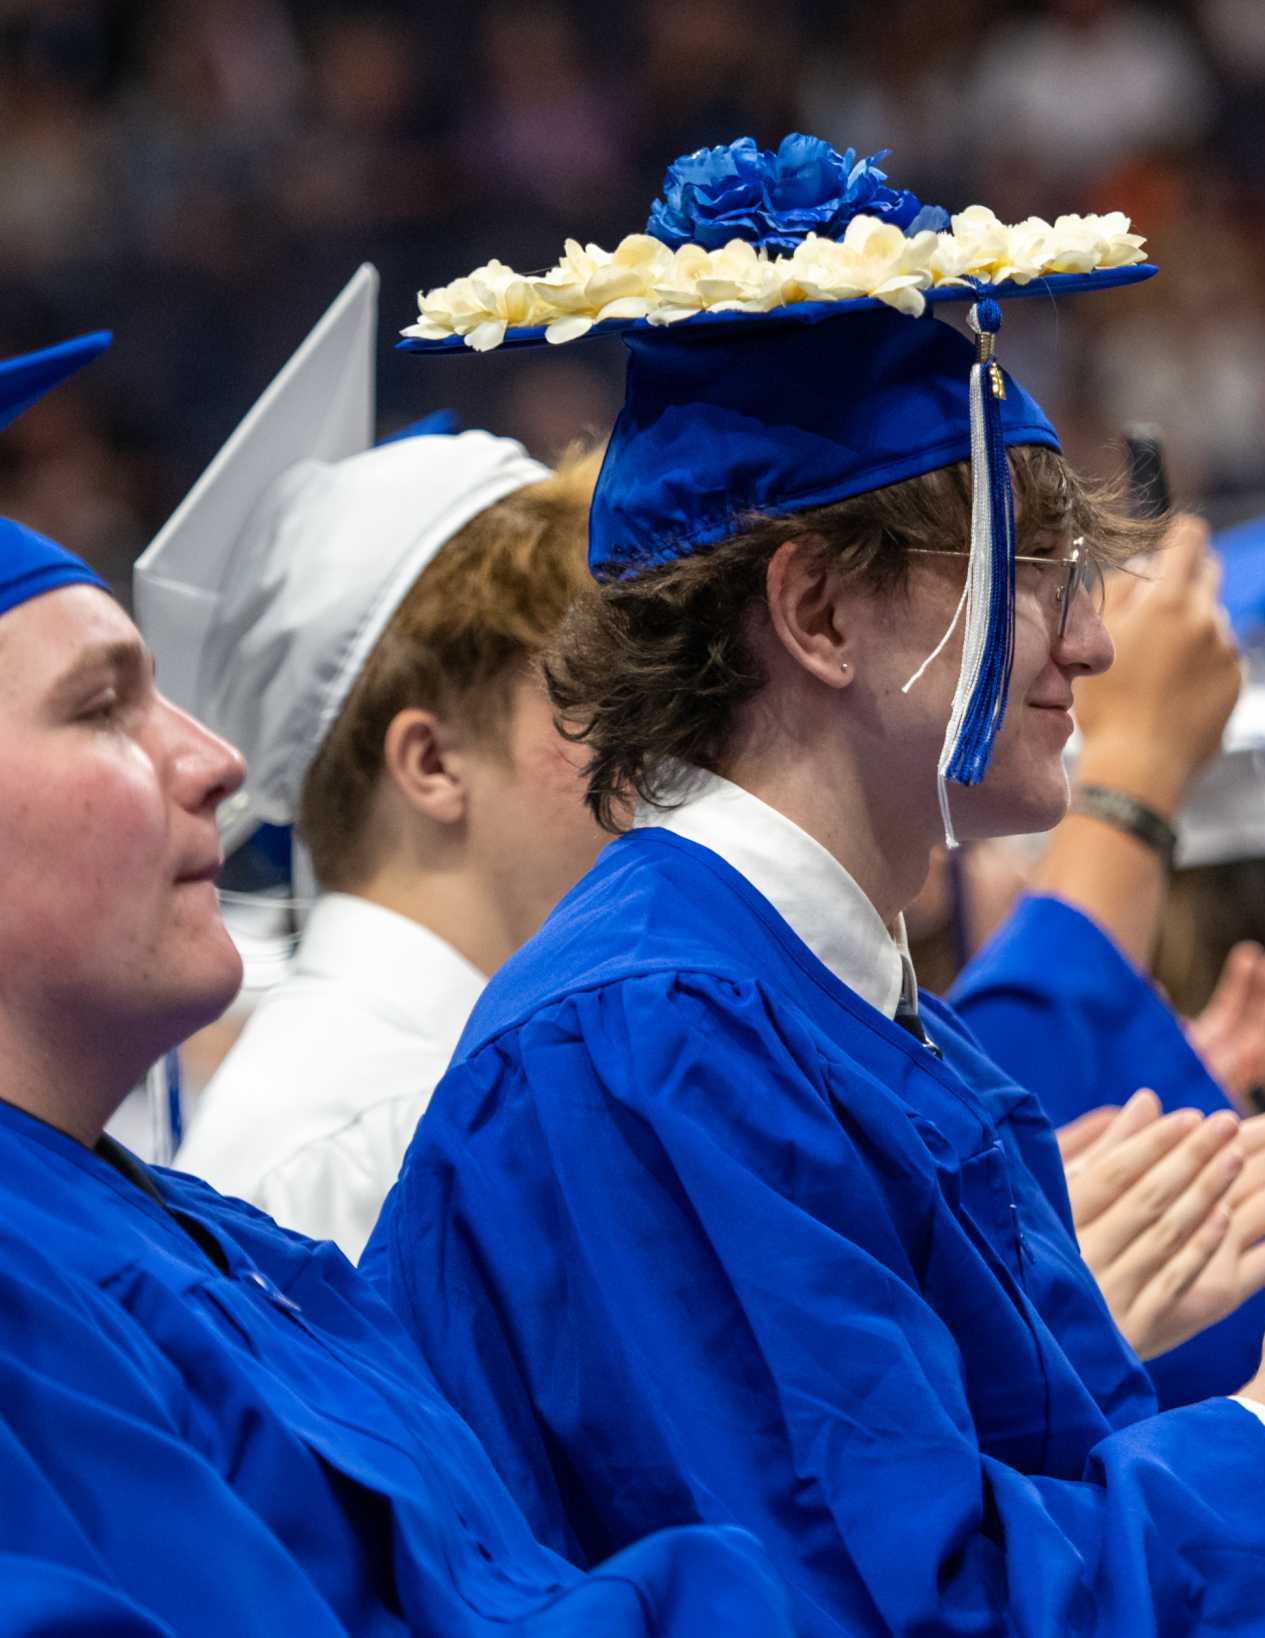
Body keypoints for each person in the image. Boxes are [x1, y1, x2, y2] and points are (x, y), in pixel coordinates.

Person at [368, 134, 1265, 1636]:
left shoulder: (859, 1024)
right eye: (1029, 567)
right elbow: (893, 1613)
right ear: (815, 610)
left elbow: (1054, 1490)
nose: (1092, 642)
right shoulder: (650, 1051)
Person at [0, 335, 792, 1635]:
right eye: (101, 706)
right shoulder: (354, 1133)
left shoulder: (207, 1227)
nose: (212, 764)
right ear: (426, 762)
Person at [135, 267, 607, 1259]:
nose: (644, 743)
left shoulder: (431, 1077)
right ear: (431, 762)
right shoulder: (350, 1134)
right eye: (583, 696)